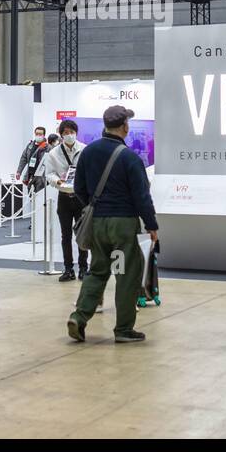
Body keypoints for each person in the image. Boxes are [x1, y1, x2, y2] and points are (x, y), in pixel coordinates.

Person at [66, 105, 158, 345]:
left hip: (97, 223)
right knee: (126, 274)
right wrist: (152, 225)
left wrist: (95, 206)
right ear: (125, 126)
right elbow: (142, 196)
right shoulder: (129, 157)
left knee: (97, 271)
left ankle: (79, 317)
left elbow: (78, 189)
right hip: (123, 225)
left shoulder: (88, 152)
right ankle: (124, 329)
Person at [43, 119, 87, 281]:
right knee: (65, 235)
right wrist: (58, 182)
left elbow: (90, 170)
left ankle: (84, 268)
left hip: (81, 197)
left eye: (72, 132)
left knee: (83, 234)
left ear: (76, 133)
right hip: (64, 197)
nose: (69, 135)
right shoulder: (54, 153)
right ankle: (68, 269)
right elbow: (49, 174)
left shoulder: (84, 149)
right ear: (61, 135)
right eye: (66, 133)